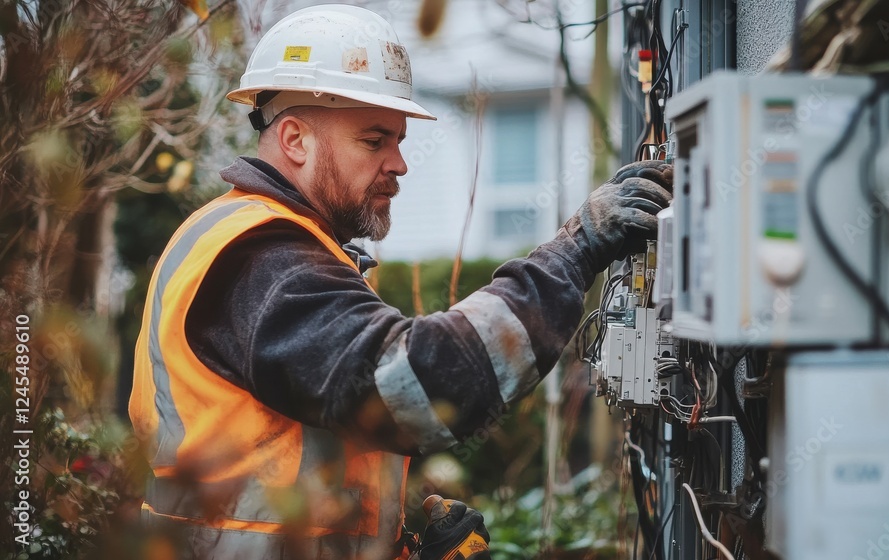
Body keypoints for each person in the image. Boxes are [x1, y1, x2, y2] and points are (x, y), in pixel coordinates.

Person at [128, 4, 672, 560]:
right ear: (294, 139)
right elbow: (413, 384)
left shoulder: (272, 245)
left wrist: (403, 534)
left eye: (399, 140)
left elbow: (290, 451)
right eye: (374, 140)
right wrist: (575, 253)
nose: (399, 163)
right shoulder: (261, 259)